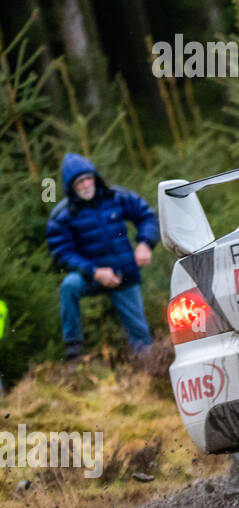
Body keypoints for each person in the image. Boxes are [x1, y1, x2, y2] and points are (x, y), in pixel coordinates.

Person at [46, 154, 159, 359]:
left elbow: (147, 215)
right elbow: (61, 253)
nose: (86, 185)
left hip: (123, 274)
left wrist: (145, 243)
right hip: (90, 276)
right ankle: (74, 352)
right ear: (71, 186)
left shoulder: (116, 197)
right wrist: (95, 272)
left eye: (89, 178)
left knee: (142, 339)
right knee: (69, 286)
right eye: (79, 182)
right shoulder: (62, 216)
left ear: (95, 178)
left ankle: (148, 372)